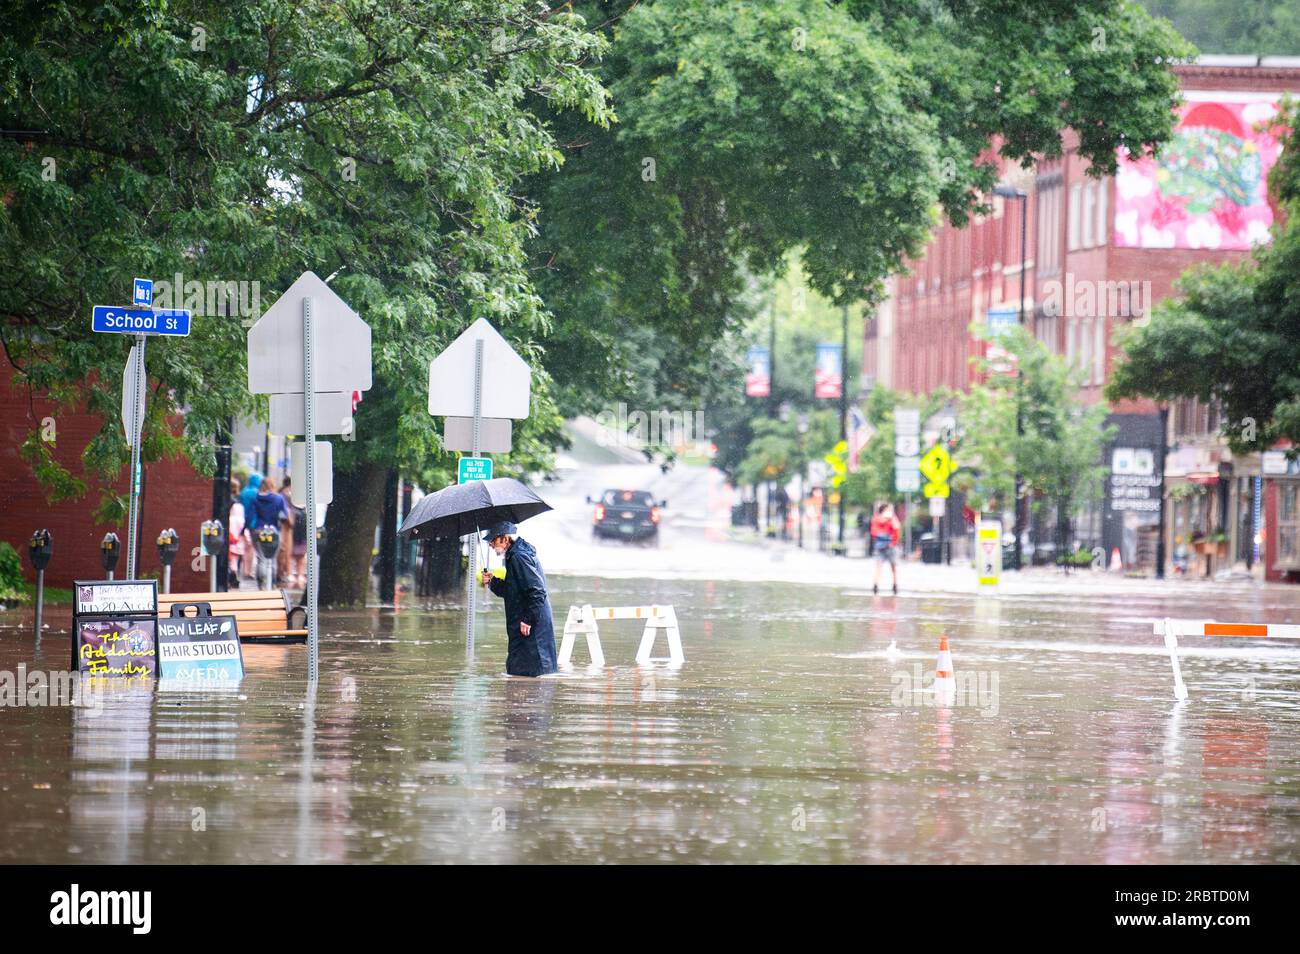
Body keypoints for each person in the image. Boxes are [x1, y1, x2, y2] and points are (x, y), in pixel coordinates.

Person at [479, 521, 557, 677]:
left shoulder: (519, 557)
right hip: (524, 625)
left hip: (530, 627)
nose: (491, 545)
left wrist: (528, 620)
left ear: (504, 539)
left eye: (493, 540)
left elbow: (538, 591)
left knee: (534, 675)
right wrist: (493, 582)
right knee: (519, 673)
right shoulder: (514, 556)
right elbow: (513, 592)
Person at [250, 476, 290, 587]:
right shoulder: (278, 499)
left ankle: (261, 584)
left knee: (261, 557)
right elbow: (284, 515)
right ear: (273, 485)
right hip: (274, 531)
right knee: (272, 559)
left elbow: (250, 516)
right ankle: (271, 583)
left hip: (259, 530)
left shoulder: (255, 498)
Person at [870, 502, 902, 594]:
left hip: (880, 546)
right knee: (894, 567)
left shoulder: (876, 519)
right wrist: (893, 543)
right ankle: (895, 585)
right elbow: (896, 530)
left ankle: (876, 584)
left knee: (878, 566)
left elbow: (873, 533)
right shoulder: (892, 519)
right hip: (890, 546)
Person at [227, 478, 247, 588]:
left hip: (228, 532)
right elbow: (241, 522)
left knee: (230, 557)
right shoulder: (237, 503)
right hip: (236, 534)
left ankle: (231, 575)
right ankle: (234, 575)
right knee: (235, 557)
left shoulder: (225, 500)